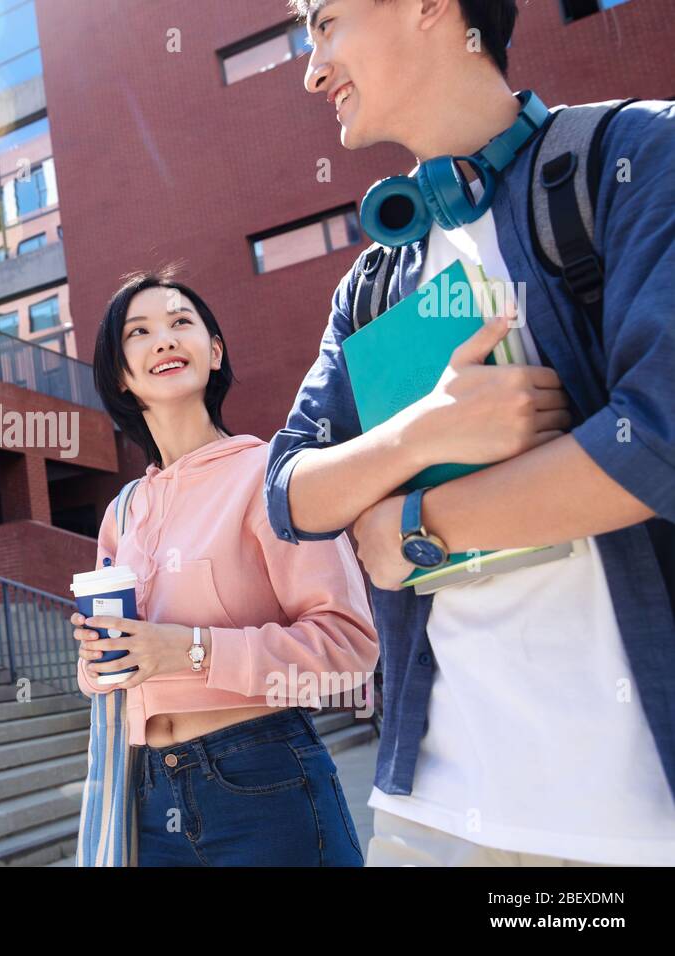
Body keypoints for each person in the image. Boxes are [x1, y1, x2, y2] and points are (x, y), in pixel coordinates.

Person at [267, 0, 675, 865]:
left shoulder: (638, 158)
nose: (311, 69)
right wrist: (422, 433)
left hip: (637, 826)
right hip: (431, 818)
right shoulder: (372, 283)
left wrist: (410, 529)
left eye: (326, 22)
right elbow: (289, 490)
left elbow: (660, 447)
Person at [74, 270, 379, 866]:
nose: (164, 340)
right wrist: (96, 660)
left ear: (214, 352)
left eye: (181, 323)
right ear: (119, 373)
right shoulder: (123, 513)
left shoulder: (273, 476)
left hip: (262, 779)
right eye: (140, 331)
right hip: (147, 797)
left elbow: (350, 649)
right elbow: (114, 675)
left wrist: (191, 650)